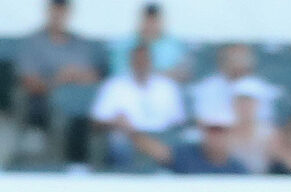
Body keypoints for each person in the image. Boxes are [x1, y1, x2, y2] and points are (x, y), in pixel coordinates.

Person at [15, 0, 106, 167]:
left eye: (62, 11)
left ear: (68, 13)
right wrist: (58, 79)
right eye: (55, 11)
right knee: (56, 114)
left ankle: (87, 169)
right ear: (48, 12)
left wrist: (75, 75)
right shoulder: (34, 43)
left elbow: (95, 76)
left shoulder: (81, 44)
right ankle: (56, 165)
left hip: (82, 102)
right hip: (49, 102)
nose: (58, 16)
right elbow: (29, 82)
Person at [91, 41, 184, 169]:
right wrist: (115, 122)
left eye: (144, 60)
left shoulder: (168, 86)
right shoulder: (114, 85)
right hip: (128, 137)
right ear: (130, 62)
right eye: (137, 60)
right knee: (119, 144)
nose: (141, 64)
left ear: (151, 61)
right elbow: (97, 121)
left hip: (161, 138)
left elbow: (178, 122)